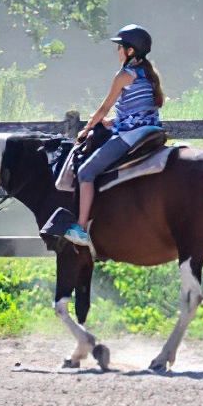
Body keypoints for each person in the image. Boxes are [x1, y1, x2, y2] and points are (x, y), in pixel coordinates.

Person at [65, 24, 164, 249]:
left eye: (120, 47)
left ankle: (80, 227)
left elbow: (103, 108)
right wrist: (113, 122)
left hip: (131, 134)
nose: (117, 52)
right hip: (151, 129)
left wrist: (87, 128)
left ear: (130, 51)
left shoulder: (123, 75)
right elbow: (136, 108)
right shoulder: (147, 73)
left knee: (86, 172)